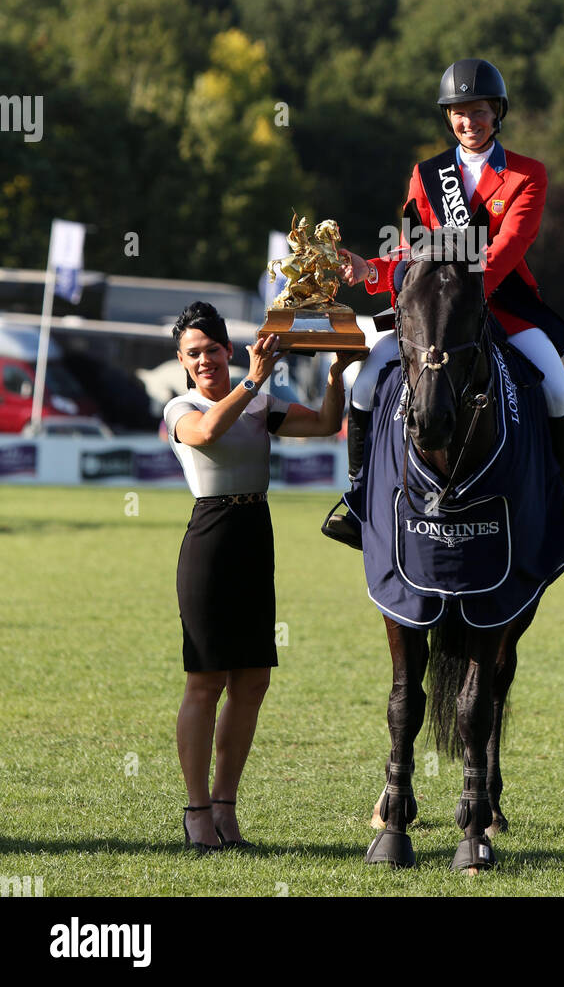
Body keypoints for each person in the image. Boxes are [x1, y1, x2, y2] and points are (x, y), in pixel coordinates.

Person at [327, 59, 564, 546]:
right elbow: (411, 249)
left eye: (480, 111)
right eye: (460, 113)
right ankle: (358, 500)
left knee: (554, 386)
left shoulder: (527, 175)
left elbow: (507, 250)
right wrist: (373, 271)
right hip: (432, 314)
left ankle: (562, 504)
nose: (470, 122)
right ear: (449, 118)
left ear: (497, 113)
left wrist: (458, 296)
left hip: (502, 302)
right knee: (364, 385)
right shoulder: (426, 176)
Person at [164, 301, 361, 853]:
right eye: (192, 354)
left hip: (256, 537)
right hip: (210, 543)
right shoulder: (181, 406)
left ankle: (225, 806)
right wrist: (252, 379)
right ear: (183, 362)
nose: (204, 361)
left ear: (229, 348)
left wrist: (335, 374)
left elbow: (324, 424)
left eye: (211, 350)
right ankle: (196, 811)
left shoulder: (260, 401)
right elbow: (204, 434)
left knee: (252, 681)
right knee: (205, 682)